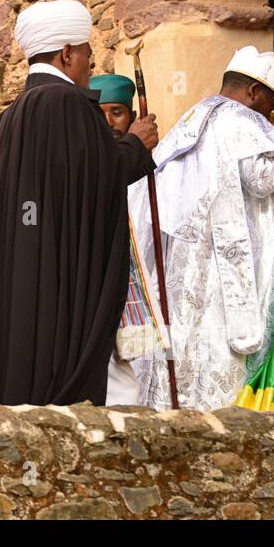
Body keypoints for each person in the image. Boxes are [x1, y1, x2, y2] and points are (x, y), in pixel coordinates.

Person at [0, 0, 158, 406]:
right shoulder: (66, 105)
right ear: (67, 53)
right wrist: (137, 145)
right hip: (60, 291)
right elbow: (93, 181)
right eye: (86, 55)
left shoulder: (5, 122)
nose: (86, 66)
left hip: (20, 293)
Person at [126, 46, 274, 409]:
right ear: (252, 92)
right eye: (269, 103)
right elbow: (263, 177)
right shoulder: (238, 119)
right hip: (222, 260)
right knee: (215, 348)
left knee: (184, 342)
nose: (269, 114)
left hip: (182, 257)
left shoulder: (195, 117)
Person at [87, 72, 156, 405]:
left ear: (131, 116)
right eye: (100, 112)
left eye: (117, 112)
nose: (109, 121)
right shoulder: (88, 164)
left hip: (145, 290)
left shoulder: (147, 165)